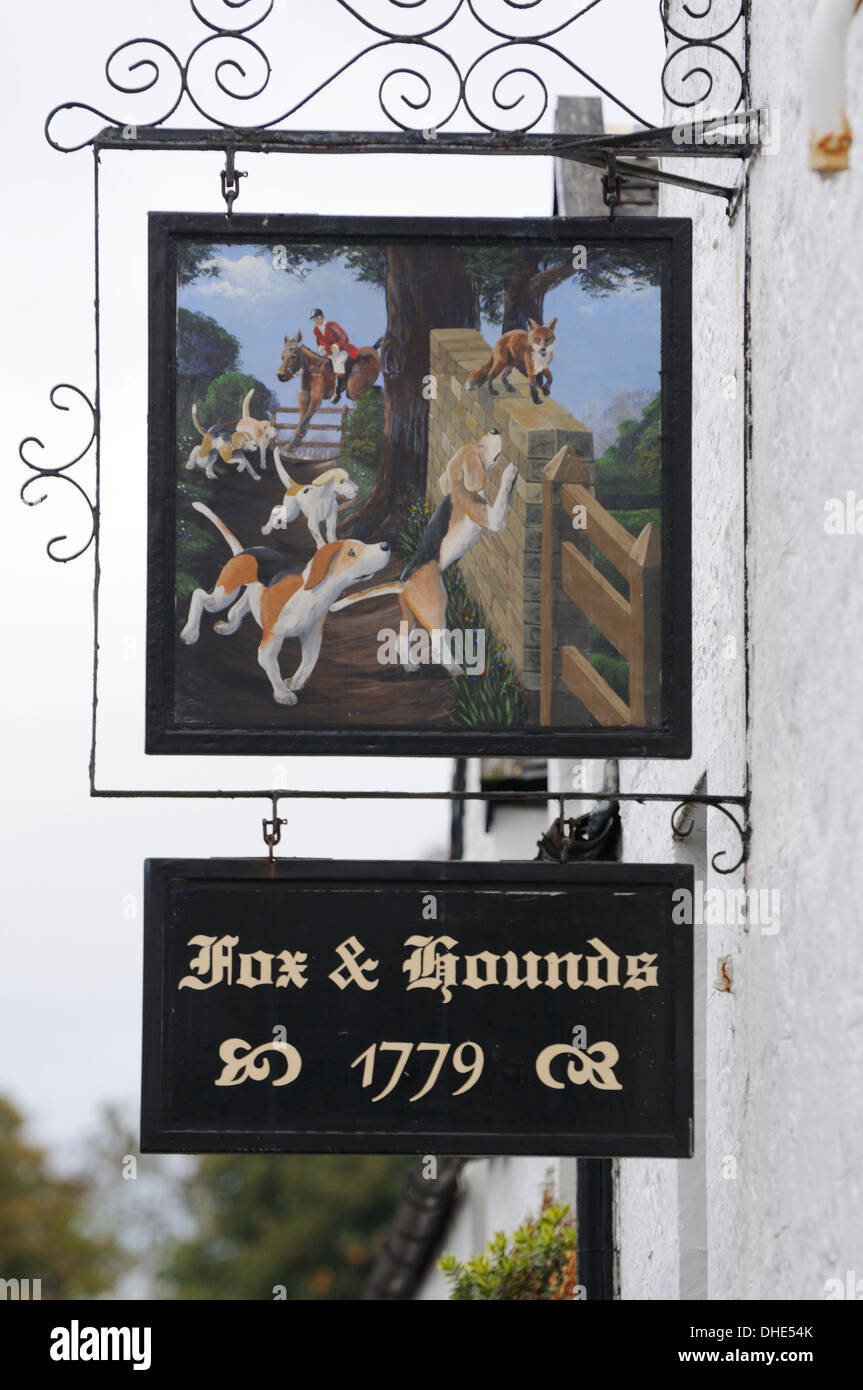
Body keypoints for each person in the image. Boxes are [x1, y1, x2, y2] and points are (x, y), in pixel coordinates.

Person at [310, 308, 359, 402]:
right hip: (329, 353)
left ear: (322, 317)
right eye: (314, 319)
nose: (316, 320)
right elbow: (319, 342)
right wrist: (321, 347)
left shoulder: (332, 325)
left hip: (342, 349)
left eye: (317, 318)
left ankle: (337, 393)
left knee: (338, 362)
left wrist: (337, 345)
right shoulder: (316, 330)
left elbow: (344, 338)